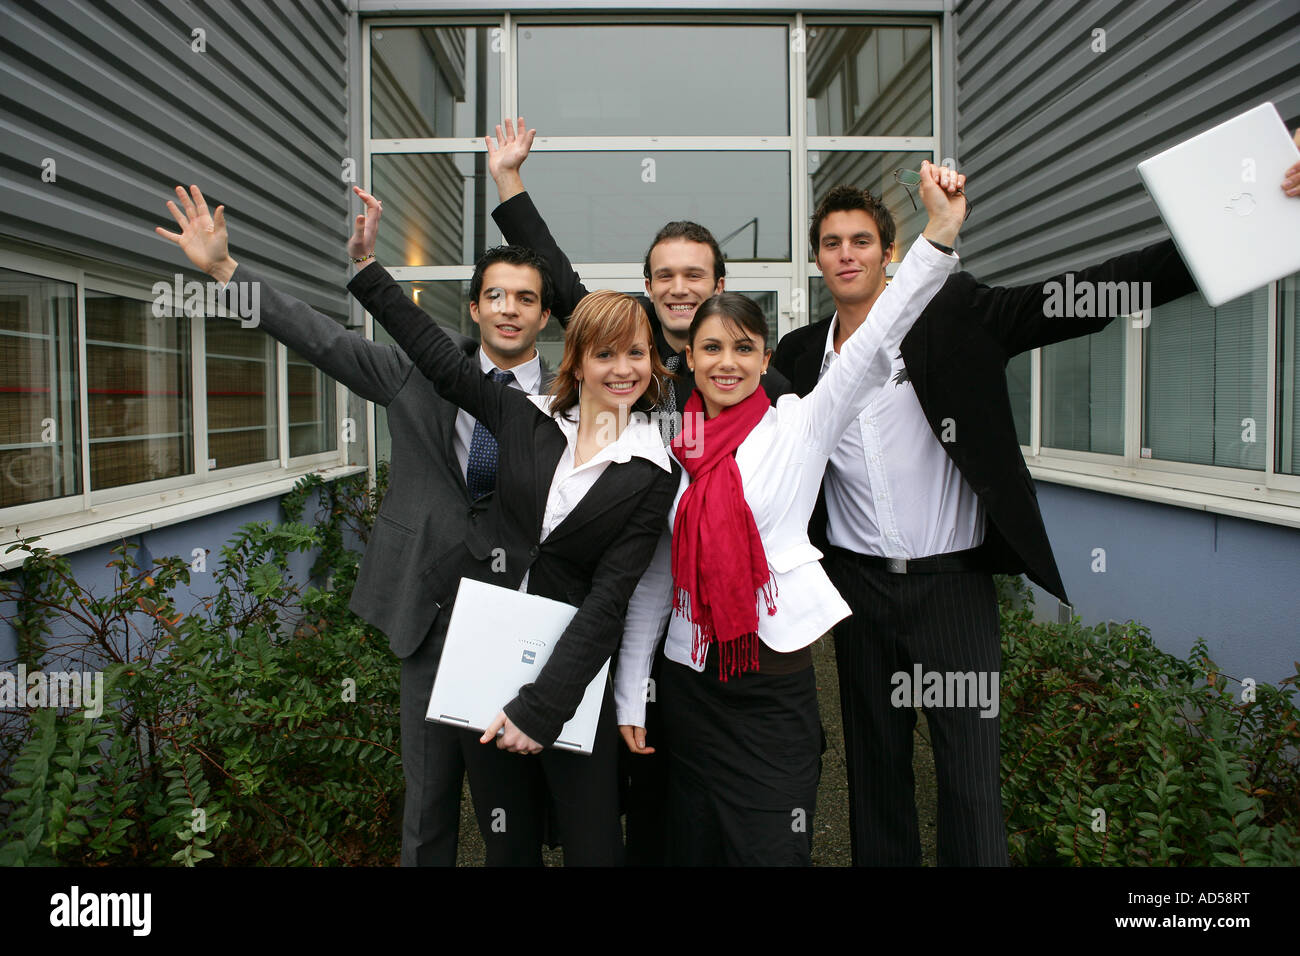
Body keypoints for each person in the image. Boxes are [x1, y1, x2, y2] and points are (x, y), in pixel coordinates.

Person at [769, 134, 1300, 867]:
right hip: (857, 591)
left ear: (891, 250)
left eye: (862, 239)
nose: (846, 253)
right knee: (876, 779)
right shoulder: (797, 356)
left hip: (951, 589)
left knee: (969, 787)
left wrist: (1258, 204)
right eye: (831, 243)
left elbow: (1095, 294)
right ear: (819, 259)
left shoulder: (956, 313)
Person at [155, 185, 556, 867]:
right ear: (474, 306)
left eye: (524, 298)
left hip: (517, 629)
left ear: (546, 313)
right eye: (496, 295)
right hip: (426, 618)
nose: (508, 309)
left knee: (509, 821)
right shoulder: (417, 375)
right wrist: (226, 272)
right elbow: (319, 337)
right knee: (427, 809)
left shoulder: (571, 398)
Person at [615, 160, 968, 865]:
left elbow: (876, 337)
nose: (725, 363)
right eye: (710, 347)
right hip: (689, 685)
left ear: (764, 356)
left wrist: (939, 235)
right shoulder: (669, 444)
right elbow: (657, 577)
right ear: (689, 352)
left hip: (771, 688)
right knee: (695, 849)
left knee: (774, 846)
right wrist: (631, 693)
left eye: (742, 348)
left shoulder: (799, 424)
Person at [483, 116, 794, 863]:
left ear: (720, 284)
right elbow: (561, 283)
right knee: (620, 786)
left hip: (711, 632)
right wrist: (509, 183)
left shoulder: (757, 384)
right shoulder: (632, 366)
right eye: (666, 275)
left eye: (696, 275)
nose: (680, 287)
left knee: (695, 795)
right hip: (616, 613)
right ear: (650, 287)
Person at [344, 187, 681, 866]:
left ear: (653, 367)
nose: (621, 369)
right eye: (605, 354)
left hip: (571, 675)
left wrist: (542, 708)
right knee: (508, 846)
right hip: (485, 657)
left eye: (636, 355)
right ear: (578, 360)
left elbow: (611, 599)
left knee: (593, 848)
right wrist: (367, 272)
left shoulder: (652, 471)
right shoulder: (525, 418)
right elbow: (439, 362)